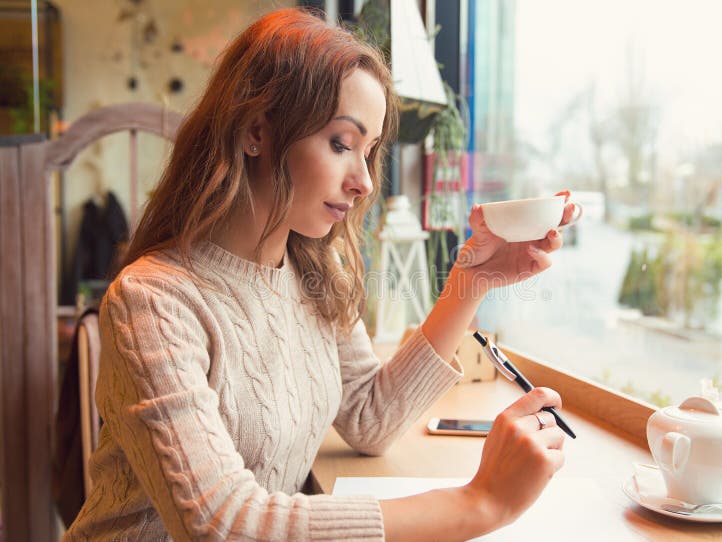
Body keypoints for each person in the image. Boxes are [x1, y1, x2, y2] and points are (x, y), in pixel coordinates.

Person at [64, 7, 576, 541]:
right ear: (256, 132)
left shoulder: (315, 272)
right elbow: (220, 524)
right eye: (341, 144)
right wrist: (479, 503)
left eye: (370, 152)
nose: (364, 182)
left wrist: (474, 280)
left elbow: (369, 417)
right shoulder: (154, 300)